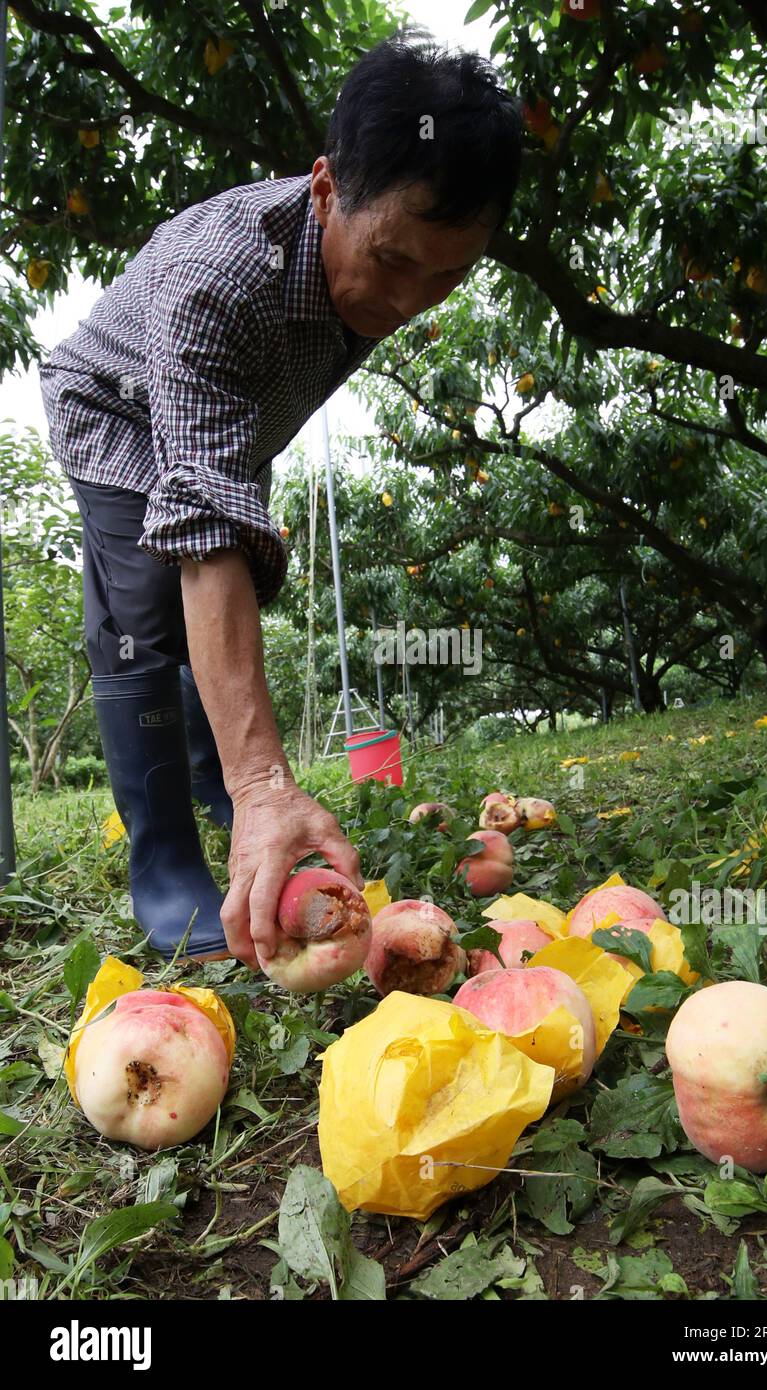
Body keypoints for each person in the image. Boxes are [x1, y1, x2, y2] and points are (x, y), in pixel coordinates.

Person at [38, 31, 522, 971]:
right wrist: (270, 778)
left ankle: (230, 794)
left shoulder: (387, 270)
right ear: (326, 189)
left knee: (215, 612)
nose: (411, 299)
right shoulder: (219, 276)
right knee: (145, 605)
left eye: (446, 276)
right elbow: (204, 526)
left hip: (226, 425)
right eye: (390, 263)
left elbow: (224, 490)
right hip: (115, 408)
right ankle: (169, 865)